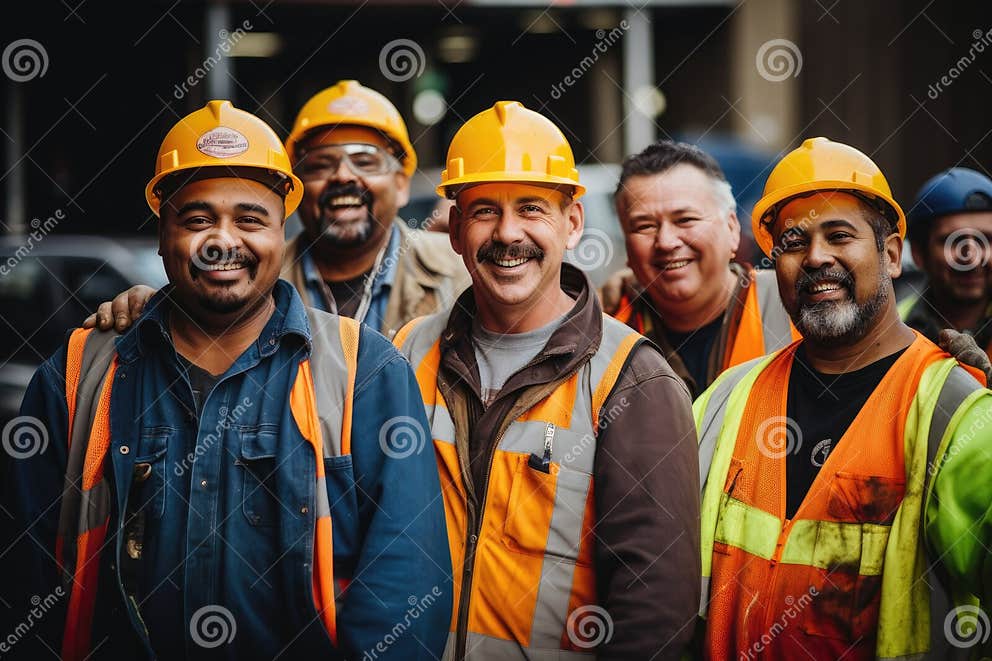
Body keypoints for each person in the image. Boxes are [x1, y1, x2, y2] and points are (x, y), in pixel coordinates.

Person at [3, 101, 450, 660]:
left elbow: (405, 584)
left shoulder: (366, 372)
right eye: (196, 219)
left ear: (280, 234)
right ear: (162, 232)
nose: (222, 240)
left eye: (250, 219)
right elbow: (24, 581)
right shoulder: (77, 375)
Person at [392, 101, 700, 660]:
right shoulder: (407, 351)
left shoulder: (633, 382)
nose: (508, 233)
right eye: (484, 210)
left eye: (531, 208)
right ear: (456, 230)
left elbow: (654, 615)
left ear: (572, 223)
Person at [694, 137, 992, 659]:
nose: (815, 257)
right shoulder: (727, 397)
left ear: (893, 254)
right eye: (792, 241)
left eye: (839, 235)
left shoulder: (954, 410)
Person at [85, 80, 470, 339]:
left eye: (365, 161)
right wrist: (149, 308)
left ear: (402, 184)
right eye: (320, 164)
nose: (342, 177)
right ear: (295, 189)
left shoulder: (465, 277)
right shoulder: (244, 276)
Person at [610, 141, 798, 397]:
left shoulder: (795, 306)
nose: (666, 241)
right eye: (644, 226)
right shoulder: (604, 330)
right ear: (627, 246)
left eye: (685, 220)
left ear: (732, 228)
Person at [901, 166, 992, 355]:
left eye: (986, 239)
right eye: (953, 240)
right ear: (919, 253)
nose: (972, 258)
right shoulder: (892, 331)